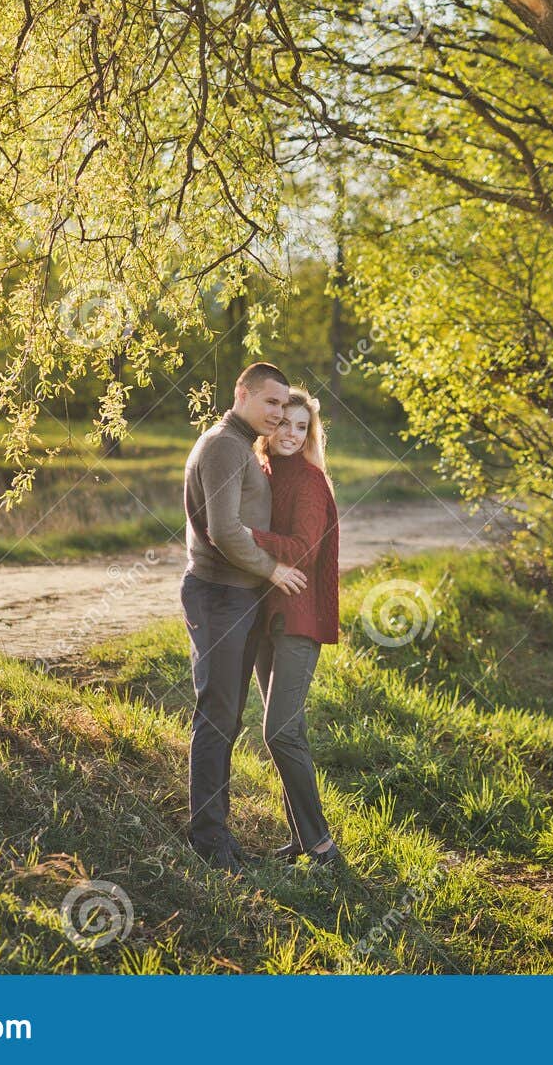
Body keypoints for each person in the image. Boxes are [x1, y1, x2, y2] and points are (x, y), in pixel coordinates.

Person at [180, 362, 308, 871]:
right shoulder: (224, 446)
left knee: (229, 716)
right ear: (242, 393)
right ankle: (209, 841)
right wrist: (273, 569)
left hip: (240, 596)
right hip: (219, 596)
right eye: (270, 402)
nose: (278, 413)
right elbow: (224, 531)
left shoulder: (239, 442)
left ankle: (219, 835)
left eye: (284, 404)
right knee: (217, 716)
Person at [243, 387, 343, 868]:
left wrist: (245, 537)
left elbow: (304, 547)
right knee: (289, 730)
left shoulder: (308, 480)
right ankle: (303, 838)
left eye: (301, 427)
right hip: (268, 616)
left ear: (310, 435)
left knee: (279, 730)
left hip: (300, 618)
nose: (291, 433)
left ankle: (322, 844)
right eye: (284, 423)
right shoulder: (264, 472)